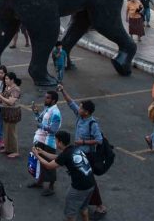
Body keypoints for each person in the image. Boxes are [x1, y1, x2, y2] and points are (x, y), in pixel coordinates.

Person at [58, 84, 107, 218]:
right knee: (84, 180)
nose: (78, 108)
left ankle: (100, 206)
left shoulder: (92, 124)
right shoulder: (80, 117)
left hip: (88, 155)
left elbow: (99, 140)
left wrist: (83, 142)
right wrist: (63, 90)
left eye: (80, 107)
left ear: (86, 112)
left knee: (88, 181)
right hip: (80, 154)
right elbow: (70, 102)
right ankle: (86, 203)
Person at [33, 130, 95, 221]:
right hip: (91, 184)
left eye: (56, 140)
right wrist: (42, 152)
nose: (55, 142)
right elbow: (58, 158)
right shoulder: (73, 149)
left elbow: (48, 166)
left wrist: (36, 155)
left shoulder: (66, 154)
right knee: (83, 209)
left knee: (71, 215)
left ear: (60, 142)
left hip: (79, 188)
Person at [29, 90, 61, 195]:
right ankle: (40, 182)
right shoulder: (47, 109)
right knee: (40, 162)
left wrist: (41, 126)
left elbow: (53, 130)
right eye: (45, 97)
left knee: (50, 165)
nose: (45, 99)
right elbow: (40, 119)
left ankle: (51, 187)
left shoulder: (56, 113)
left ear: (53, 100)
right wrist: (36, 112)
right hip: (41, 139)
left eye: (47, 98)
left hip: (49, 142)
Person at [0, 72, 23, 159]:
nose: (5, 80)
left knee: (12, 132)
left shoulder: (16, 89)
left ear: (12, 80)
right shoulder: (8, 87)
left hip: (12, 113)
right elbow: (2, 99)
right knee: (6, 131)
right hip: (6, 113)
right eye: (5, 79)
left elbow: (11, 102)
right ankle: (8, 148)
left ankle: (15, 151)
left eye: (7, 79)